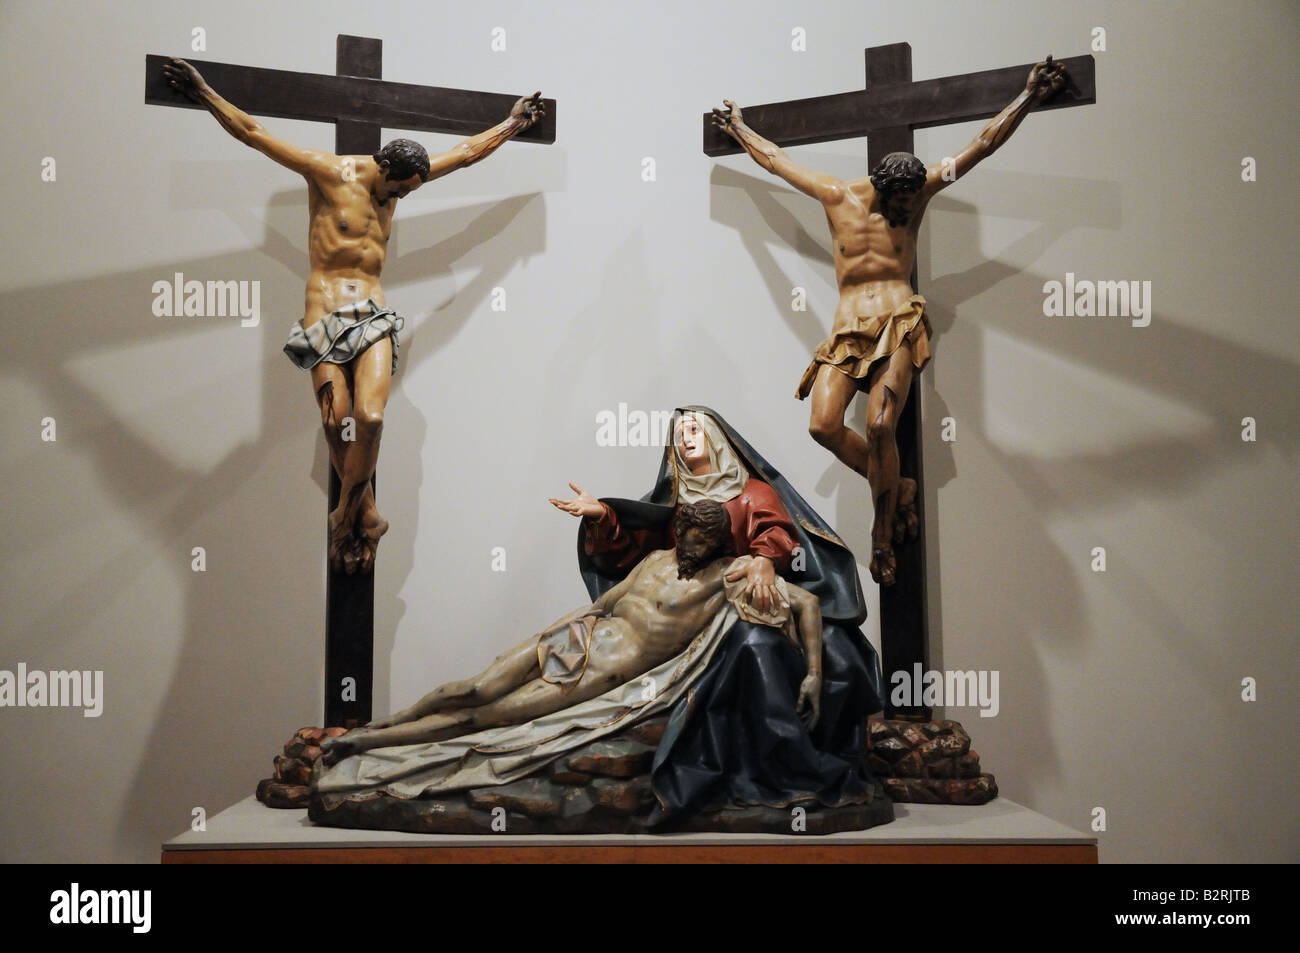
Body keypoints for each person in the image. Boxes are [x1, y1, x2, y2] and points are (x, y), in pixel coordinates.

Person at [162, 57, 544, 573]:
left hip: (373, 312)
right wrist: (204, 93)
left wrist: (514, 122)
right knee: (337, 421)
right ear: (383, 168)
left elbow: (467, 153)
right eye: (398, 189)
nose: (401, 199)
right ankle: (367, 515)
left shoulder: (406, 178)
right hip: (323, 313)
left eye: (409, 192)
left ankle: (345, 514)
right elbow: (254, 132)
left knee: (371, 417)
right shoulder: (327, 171)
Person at [710, 57, 1068, 585]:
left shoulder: (919, 192)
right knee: (823, 425)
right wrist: (739, 127)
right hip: (848, 330)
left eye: (913, 201)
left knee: (880, 424)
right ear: (879, 190)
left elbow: (983, 144)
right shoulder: (836, 196)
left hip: (900, 320)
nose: (909, 211)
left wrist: (1029, 96)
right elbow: (776, 161)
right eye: (900, 203)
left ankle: (881, 539)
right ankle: (896, 486)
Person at [550, 407, 885, 822]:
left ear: (715, 437)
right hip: (690, 611)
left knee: (786, 647)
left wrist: (764, 559)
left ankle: (784, 765)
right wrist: (605, 517)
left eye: (694, 429)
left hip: (752, 600)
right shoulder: (674, 501)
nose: (686, 436)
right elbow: (641, 546)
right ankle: (752, 767)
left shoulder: (751, 490)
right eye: (679, 432)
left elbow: (777, 533)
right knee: (747, 647)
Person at [319, 501, 825, 767]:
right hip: (576, 637)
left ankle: (362, 749)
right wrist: (565, 626)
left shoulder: (727, 575)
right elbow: (604, 603)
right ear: (679, 532)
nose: (694, 546)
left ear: (718, 541)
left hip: (599, 673)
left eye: (704, 539)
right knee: (473, 687)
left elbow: (807, 602)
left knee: (484, 717)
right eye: (689, 536)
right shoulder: (655, 559)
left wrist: (814, 678)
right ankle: (375, 728)